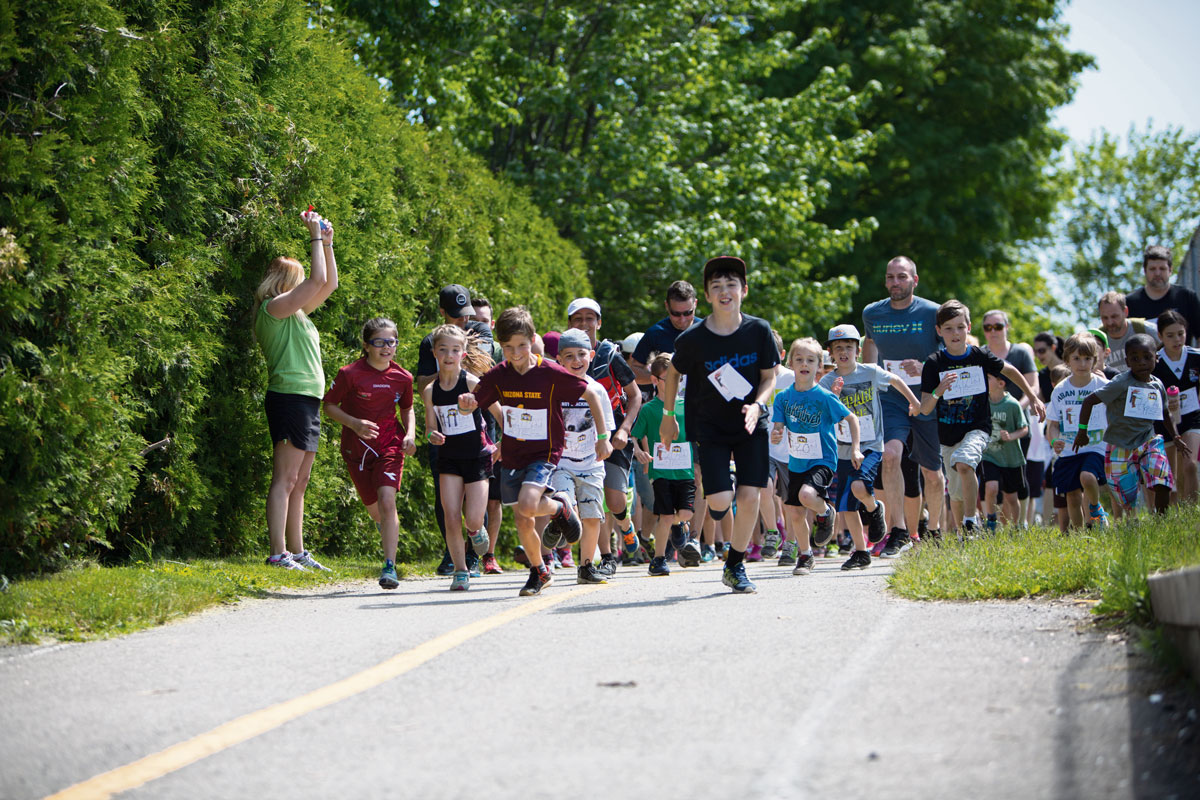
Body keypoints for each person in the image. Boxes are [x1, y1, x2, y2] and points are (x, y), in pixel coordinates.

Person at [466, 307, 613, 596]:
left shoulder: (550, 372)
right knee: (522, 518)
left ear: (533, 340)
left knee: (529, 503)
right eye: (508, 347)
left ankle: (560, 507)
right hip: (513, 453)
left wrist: (604, 436)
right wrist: (465, 403)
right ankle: (539, 571)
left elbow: (592, 394)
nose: (516, 353)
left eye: (522, 345)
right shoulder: (500, 375)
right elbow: (477, 400)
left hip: (544, 452)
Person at [659, 256, 778, 594]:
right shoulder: (694, 338)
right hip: (709, 426)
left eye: (731, 285)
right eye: (716, 287)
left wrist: (757, 405)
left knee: (751, 493)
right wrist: (669, 418)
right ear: (707, 297)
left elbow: (769, 377)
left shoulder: (759, 330)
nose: (725, 292)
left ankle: (735, 565)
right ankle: (717, 500)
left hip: (750, 422)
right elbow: (673, 374)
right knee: (720, 502)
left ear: (744, 290)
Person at [253, 208, 338, 571]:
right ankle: (277, 553)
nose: (308, 286)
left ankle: (297, 551)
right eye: (300, 280)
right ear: (286, 281)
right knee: (285, 478)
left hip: (307, 399)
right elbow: (318, 280)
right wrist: (314, 236)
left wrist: (328, 244)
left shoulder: (297, 312)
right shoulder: (273, 308)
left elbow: (328, 283)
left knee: (300, 480)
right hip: (288, 397)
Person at [919, 300, 1045, 534]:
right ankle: (963, 535)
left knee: (965, 463)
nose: (955, 333)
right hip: (948, 435)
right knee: (955, 493)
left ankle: (970, 521)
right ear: (939, 331)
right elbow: (925, 408)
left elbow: (1011, 371)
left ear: (968, 327)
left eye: (960, 327)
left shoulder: (980, 356)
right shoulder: (934, 364)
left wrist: (1033, 397)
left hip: (978, 428)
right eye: (948, 328)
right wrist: (939, 390)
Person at [861, 255, 946, 554]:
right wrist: (867, 378)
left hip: (927, 398)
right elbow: (869, 343)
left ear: (915, 280)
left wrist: (925, 366)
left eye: (902, 277)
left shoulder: (933, 313)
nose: (895, 283)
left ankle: (933, 531)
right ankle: (897, 531)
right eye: (890, 277)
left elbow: (952, 352)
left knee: (933, 475)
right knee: (890, 456)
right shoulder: (872, 314)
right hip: (890, 397)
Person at [323, 318, 416, 588]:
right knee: (376, 511)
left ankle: (389, 567)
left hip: (389, 444)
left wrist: (409, 434)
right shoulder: (349, 373)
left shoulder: (403, 377)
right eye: (379, 342)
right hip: (357, 449)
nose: (386, 348)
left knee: (388, 501)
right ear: (366, 345)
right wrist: (354, 423)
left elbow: (407, 408)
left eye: (391, 342)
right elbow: (329, 406)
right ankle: (386, 528)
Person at [819, 325, 920, 569]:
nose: (844, 352)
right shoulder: (827, 381)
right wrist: (832, 396)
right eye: (839, 348)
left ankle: (874, 509)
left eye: (849, 347)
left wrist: (915, 402)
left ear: (859, 350)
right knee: (846, 505)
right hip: (842, 448)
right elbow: (823, 415)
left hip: (871, 444)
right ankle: (861, 551)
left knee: (859, 485)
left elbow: (895, 379)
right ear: (831, 352)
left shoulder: (870, 372)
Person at [415, 285, 493, 577]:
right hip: (445, 430)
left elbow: (485, 374)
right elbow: (423, 383)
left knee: (476, 500)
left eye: (467, 315)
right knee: (446, 502)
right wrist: (448, 365)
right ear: (442, 313)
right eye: (456, 316)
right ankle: (454, 557)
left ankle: (474, 555)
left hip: (478, 428)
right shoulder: (430, 341)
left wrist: (457, 367)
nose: (463, 322)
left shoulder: (481, 333)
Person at [565, 298, 644, 570]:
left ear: (599, 322)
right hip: (579, 438)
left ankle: (626, 524)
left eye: (590, 318)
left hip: (613, 434)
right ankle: (607, 557)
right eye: (578, 319)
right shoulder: (564, 358)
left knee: (615, 500)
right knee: (592, 501)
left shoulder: (610, 355)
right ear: (570, 324)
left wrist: (624, 429)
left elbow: (634, 396)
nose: (584, 324)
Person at [1073, 334, 1190, 515]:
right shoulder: (1121, 382)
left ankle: (1161, 522)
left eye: (1147, 357)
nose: (1141, 362)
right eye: (1135, 358)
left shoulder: (1157, 385)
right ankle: (1128, 518)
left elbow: (1165, 413)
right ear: (1127, 362)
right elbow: (1089, 401)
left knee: (1163, 480)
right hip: (1121, 444)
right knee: (1126, 497)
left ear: (1156, 358)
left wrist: (1175, 436)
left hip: (1148, 440)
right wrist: (1082, 432)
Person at [772, 338, 857, 574]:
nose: (804, 364)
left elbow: (851, 418)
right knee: (795, 512)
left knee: (807, 495)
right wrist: (776, 435)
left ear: (819, 365)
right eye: (799, 359)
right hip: (796, 461)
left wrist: (856, 447)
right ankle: (806, 555)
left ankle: (826, 512)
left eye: (810, 360)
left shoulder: (824, 396)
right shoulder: (783, 398)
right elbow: (779, 426)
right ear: (790, 363)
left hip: (823, 459)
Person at [549, 328, 619, 584]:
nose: (576, 361)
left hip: (591, 464)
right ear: (559, 359)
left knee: (592, 518)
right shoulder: (553, 388)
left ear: (591, 355)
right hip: (561, 463)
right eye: (569, 356)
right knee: (566, 504)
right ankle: (558, 522)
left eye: (581, 354)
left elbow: (606, 426)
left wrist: (605, 443)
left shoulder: (597, 389)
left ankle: (586, 567)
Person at [632, 353, 697, 576]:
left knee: (686, 514)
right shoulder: (649, 409)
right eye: (667, 379)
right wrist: (640, 451)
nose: (673, 385)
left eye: (676, 380)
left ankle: (679, 526)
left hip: (685, 470)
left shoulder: (687, 406)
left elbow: (699, 433)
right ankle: (659, 560)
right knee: (666, 515)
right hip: (660, 471)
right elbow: (634, 435)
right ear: (655, 381)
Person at [1046, 333, 1111, 529]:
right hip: (1068, 450)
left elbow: (1117, 412)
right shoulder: (1059, 390)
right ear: (1067, 360)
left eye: (1087, 359)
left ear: (1094, 360)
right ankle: (1081, 534)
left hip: (1095, 446)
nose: (1082, 363)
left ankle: (1095, 507)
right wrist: (1054, 441)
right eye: (1076, 358)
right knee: (1072, 496)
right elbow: (1053, 424)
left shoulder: (1103, 386)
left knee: (1087, 477)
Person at [1152, 310, 1200, 503]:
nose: (1177, 339)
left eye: (1181, 333)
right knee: (1171, 473)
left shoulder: (1196, 357)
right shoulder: (1154, 362)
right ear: (1160, 336)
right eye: (1170, 335)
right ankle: (1176, 515)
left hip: (1192, 417)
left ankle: (1192, 513)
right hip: (1165, 421)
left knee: (1190, 465)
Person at [980, 373, 1028, 529]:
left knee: (1011, 497)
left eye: (988, 378)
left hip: (1011, 458)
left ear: (1001, 384)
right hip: (990, 455)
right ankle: (991, 521)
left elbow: (1024, 429)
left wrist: (1011, 436)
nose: (984, 380)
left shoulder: (1012, 404)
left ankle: (1017, 527)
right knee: (991, 487)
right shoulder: (983, 403)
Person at [1125, 245, 1200, 347]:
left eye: (1162, 268)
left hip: (1184, 362)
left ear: (1170, 270)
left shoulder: (1186, 297)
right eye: (1152, 269)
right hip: (1146, 362)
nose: (1157, 273)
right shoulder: (1130, 302)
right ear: (1145, 271)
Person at [629, 280, 701, 384]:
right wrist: (661, 377)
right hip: (667, 399)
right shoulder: (655, 333)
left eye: (688, 313)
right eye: (676, 314)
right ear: (667, 306)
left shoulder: (707, 329)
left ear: (695, 304)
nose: (682, 319)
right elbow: (634, 370)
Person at [1097, 291, 1158, 372]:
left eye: (1114, 316)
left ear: (1125, 312)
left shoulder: (1146, 330)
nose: (1110, 322)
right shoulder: (1097, 340)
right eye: (1105, 318)